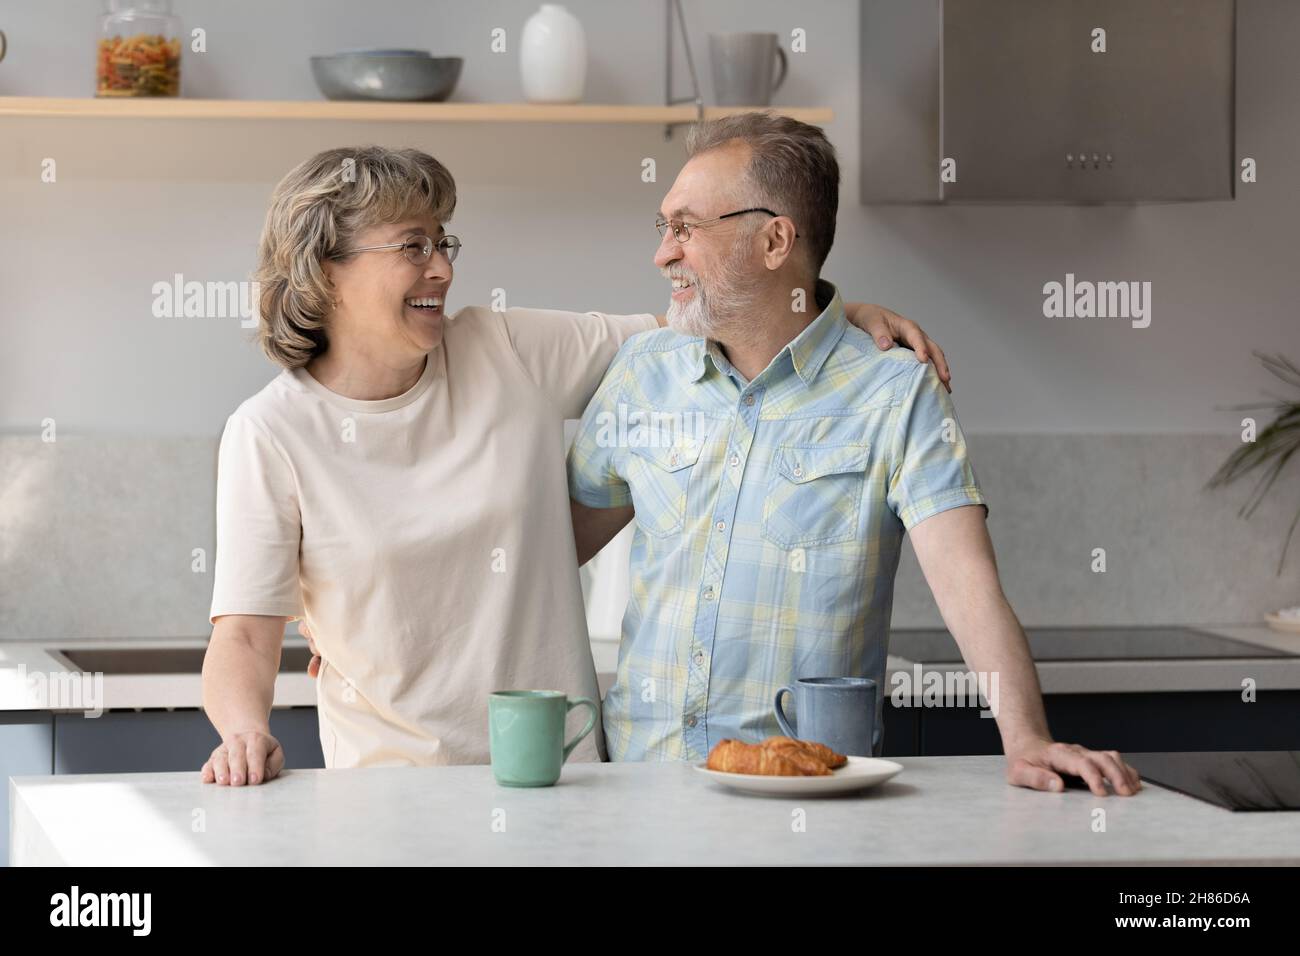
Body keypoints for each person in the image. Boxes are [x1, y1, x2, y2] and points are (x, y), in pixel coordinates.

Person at [200, 143, 950, 786]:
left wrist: (831, 314)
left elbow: (703, 324)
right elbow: (242, 636)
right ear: (325, 271)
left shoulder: (504, 349)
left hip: (561, 781)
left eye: (443, 243)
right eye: (412, 247)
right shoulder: (271, 434)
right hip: (388, 793)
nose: (442, 269)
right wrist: (242, 731)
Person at [568, 113, 1142, 797]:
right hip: (641, 795)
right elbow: (551, 549)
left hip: (811, 800)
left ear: (775, 239)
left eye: (687, 228)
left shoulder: (896, 391)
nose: (663, 253)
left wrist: (1026, 739)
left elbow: (967, 583)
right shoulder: (643, 373)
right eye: (664, 228)